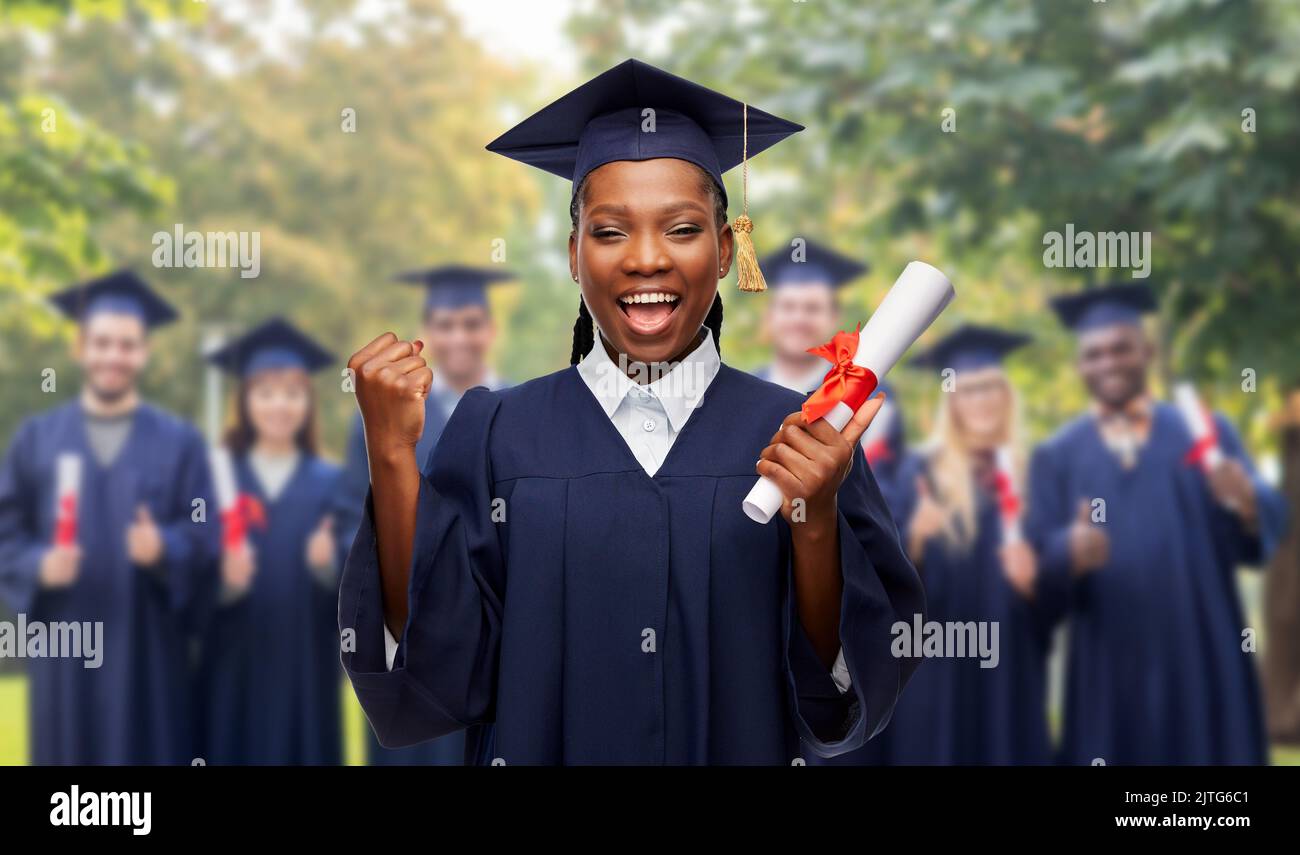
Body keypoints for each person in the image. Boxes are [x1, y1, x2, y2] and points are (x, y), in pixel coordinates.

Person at [337, 58, 925, 764]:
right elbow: (440, 677)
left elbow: (840, 701)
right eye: (611, 232)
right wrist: (393, 454)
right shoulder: (497, 433)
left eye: (681, 229)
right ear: (574, 257)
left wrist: (816, 518)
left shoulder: (804, 436)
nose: (646, 259)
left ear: (728, 246)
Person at [1026, 283, 1288, 764]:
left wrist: (1248, 501)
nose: (1108, 363)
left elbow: (1260, 532)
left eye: (1121, 348)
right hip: (1108, 657)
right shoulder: (1056, 456)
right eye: (1094, 354)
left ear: (1146, 351)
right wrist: (1069, 550)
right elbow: (1038, 571)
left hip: (1202, 645)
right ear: (1080, 364)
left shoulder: (1205, 432)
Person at [0, 270, 219, 764]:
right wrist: (37, 565)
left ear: (144, 352)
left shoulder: (180, 443)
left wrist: (165, 548)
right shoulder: (37, 440)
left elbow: (206, 537)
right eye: (101, 343)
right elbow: (4, 533)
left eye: (127, 345)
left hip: (149, 661)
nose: (113, 357)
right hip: (63, 662)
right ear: (80, 348)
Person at [336, 265, 512, 765]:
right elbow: (356, 518)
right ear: (427, 331)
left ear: (491, 329)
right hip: (413, 644)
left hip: (493, 650)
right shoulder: (382, 418)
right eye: (446, 324)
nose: (459, 337)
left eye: (471, 323)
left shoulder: (518, 414)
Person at [885, 324, 1055, 764]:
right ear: (952, 402)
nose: (979, 401)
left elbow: (1059, 591)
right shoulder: (919, 471)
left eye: (988, 388)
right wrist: (916, 540)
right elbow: (891, 587)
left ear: (1005, 396)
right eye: (967, 391)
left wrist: (1036, 583)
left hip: (1012, 664)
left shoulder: (1036, 472)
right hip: (941, 663)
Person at [196, 318, 343, 765]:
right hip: (230, 674)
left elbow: (360, 599)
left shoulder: (333, 484)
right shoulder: (214, 482)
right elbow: (181, 585)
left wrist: (328, 568)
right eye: (266, 393)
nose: (280, 405)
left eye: (293, 393)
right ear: (245, 401)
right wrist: (222, 581)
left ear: (308, 403)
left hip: (305, 673)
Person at [752, 238, 867, 394]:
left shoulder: (861, 395)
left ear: (834, 318)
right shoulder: (742, 393)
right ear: (769, 315)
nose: (799, 319)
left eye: (813, 308)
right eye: (788, 306)